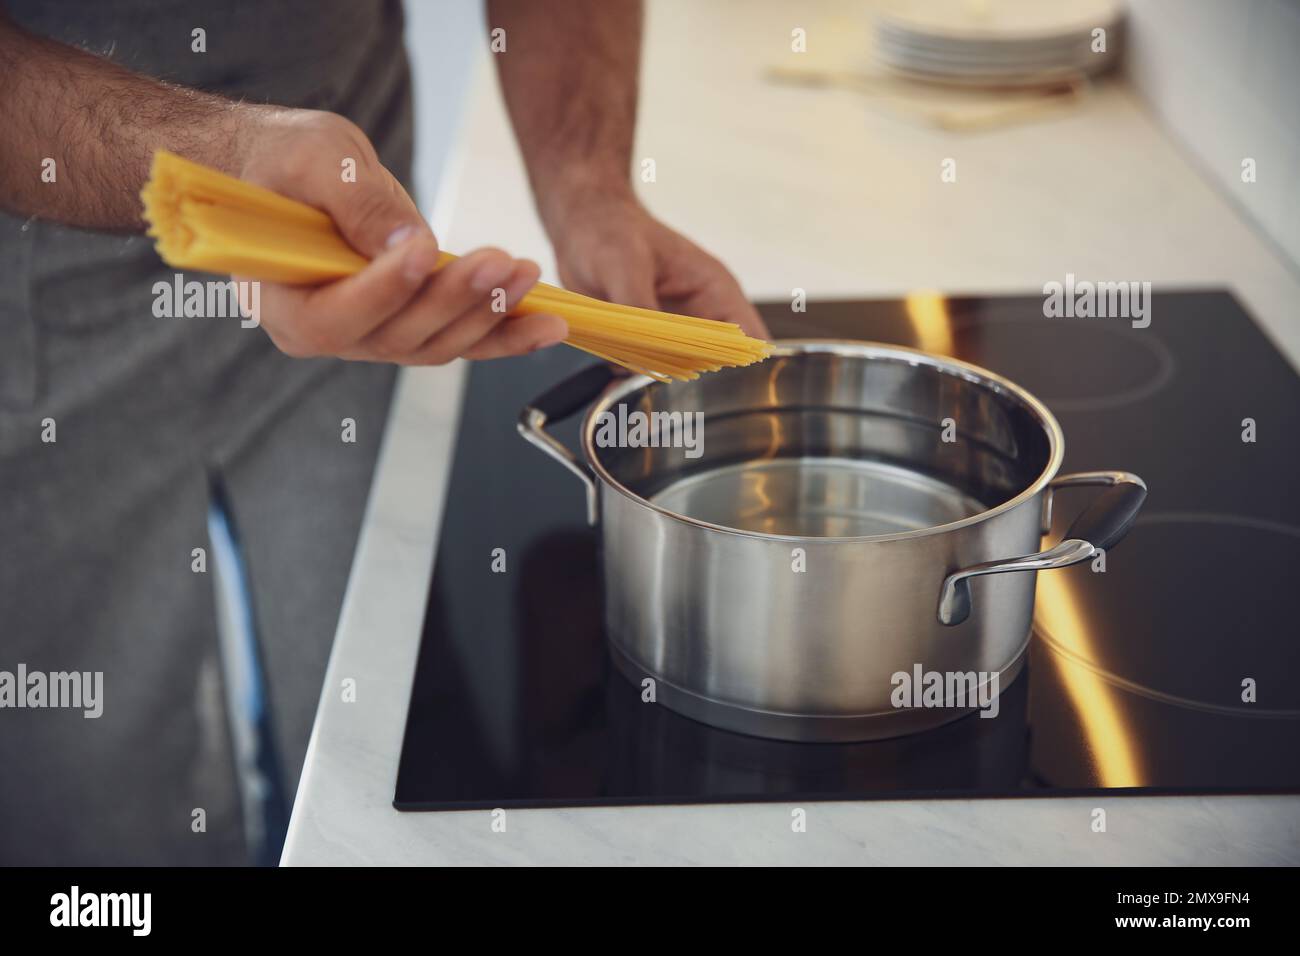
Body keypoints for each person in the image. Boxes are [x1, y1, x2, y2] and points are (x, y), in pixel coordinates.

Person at [0, 0, 766, 864]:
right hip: (43, 302)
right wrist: (220, 155)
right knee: (101, 817)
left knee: (370, 755)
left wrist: (586, 182)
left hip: (348, 243)